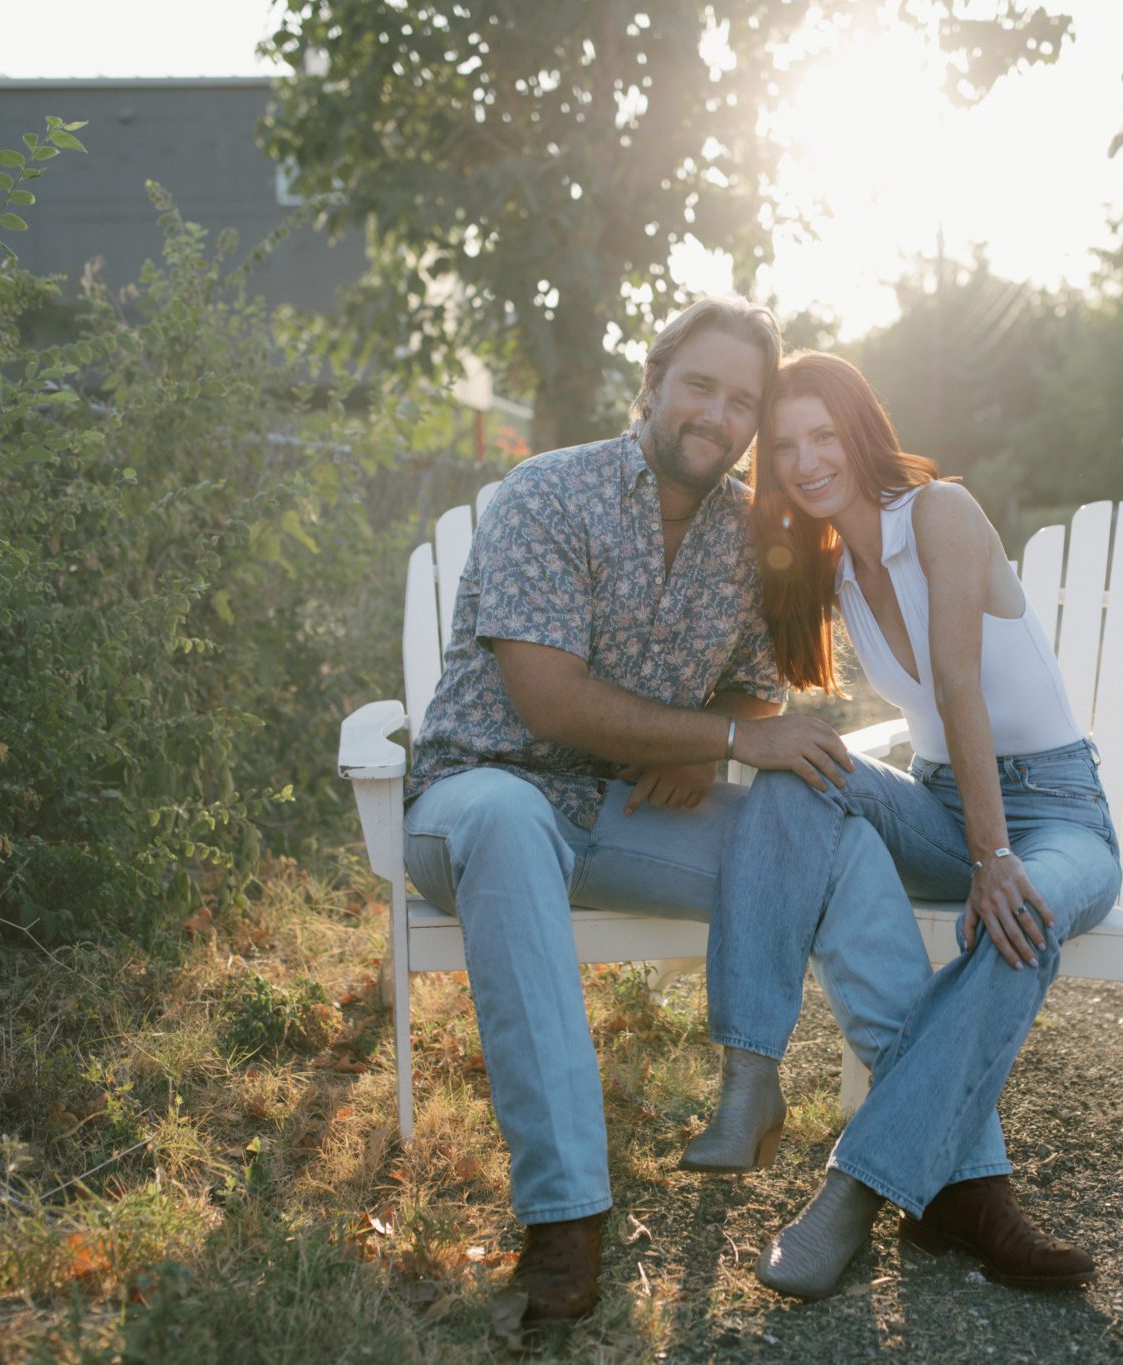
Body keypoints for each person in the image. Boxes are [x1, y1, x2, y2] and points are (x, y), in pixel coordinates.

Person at [400, 301, 935, 1326]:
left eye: (743, 401)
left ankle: (941, 1166)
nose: (718, 414)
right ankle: (565, 1224)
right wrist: (720, 742)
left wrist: (717, 733)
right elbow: (545, 698)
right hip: (481, 794)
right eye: (701, 385)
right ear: (650, 383)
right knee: (511, 824)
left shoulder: (748, 534)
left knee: (831, 834)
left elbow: (756, 692)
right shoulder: (547, 494)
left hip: (627, 811)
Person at [690, 351, 1123, 1300]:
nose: (807, 462)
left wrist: (995, 856)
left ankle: (854, 1188)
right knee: (793, 768)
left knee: (1023, 919)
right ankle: (751, 1074)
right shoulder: (830, 573)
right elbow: (757, 690)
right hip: (940, 797)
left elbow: (959, 684)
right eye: (786, 447)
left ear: (862, 430)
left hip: (1055, 813)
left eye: (823, 436)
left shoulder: (940, 513)